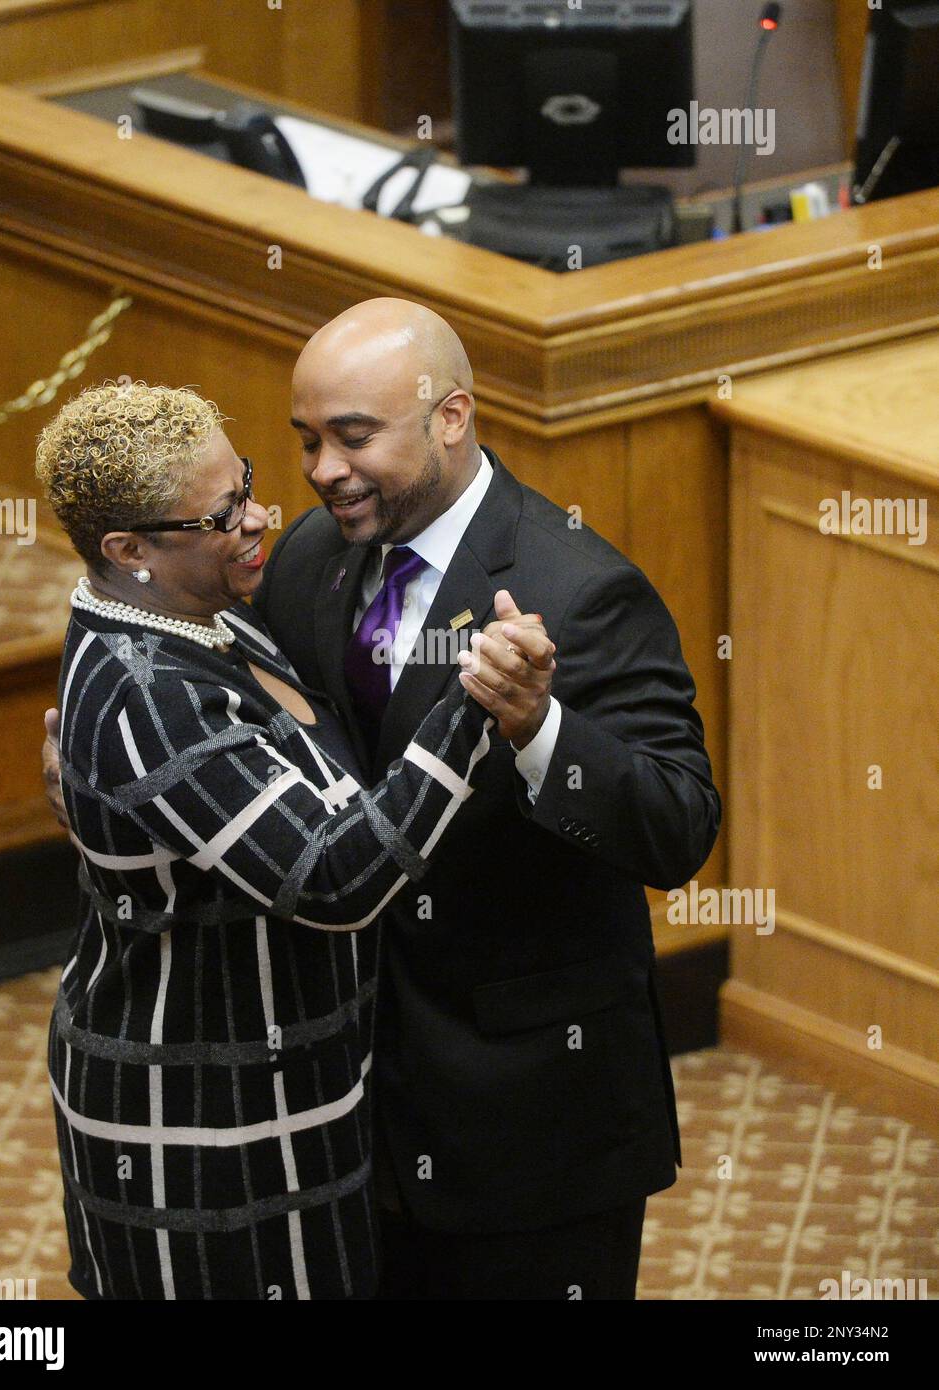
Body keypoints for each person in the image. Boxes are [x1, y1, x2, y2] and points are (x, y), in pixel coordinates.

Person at [35, 379, 554, 1300]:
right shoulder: (150, 692)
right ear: (128, 550)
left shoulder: (213, 616)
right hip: (200, 1124)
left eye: (243, 485)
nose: (257, 518)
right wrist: (477, 702)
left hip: (287, 1090)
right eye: (220, 515)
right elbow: (334, 879)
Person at [255, 298, 723, 1299]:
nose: (324, 469)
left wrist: (540, 729)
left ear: (452, 417)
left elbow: (680, 825)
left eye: (353, 437)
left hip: (532, 1127)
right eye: (307, 440)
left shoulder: (580, 586)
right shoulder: (308, 559)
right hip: (352, 1120)